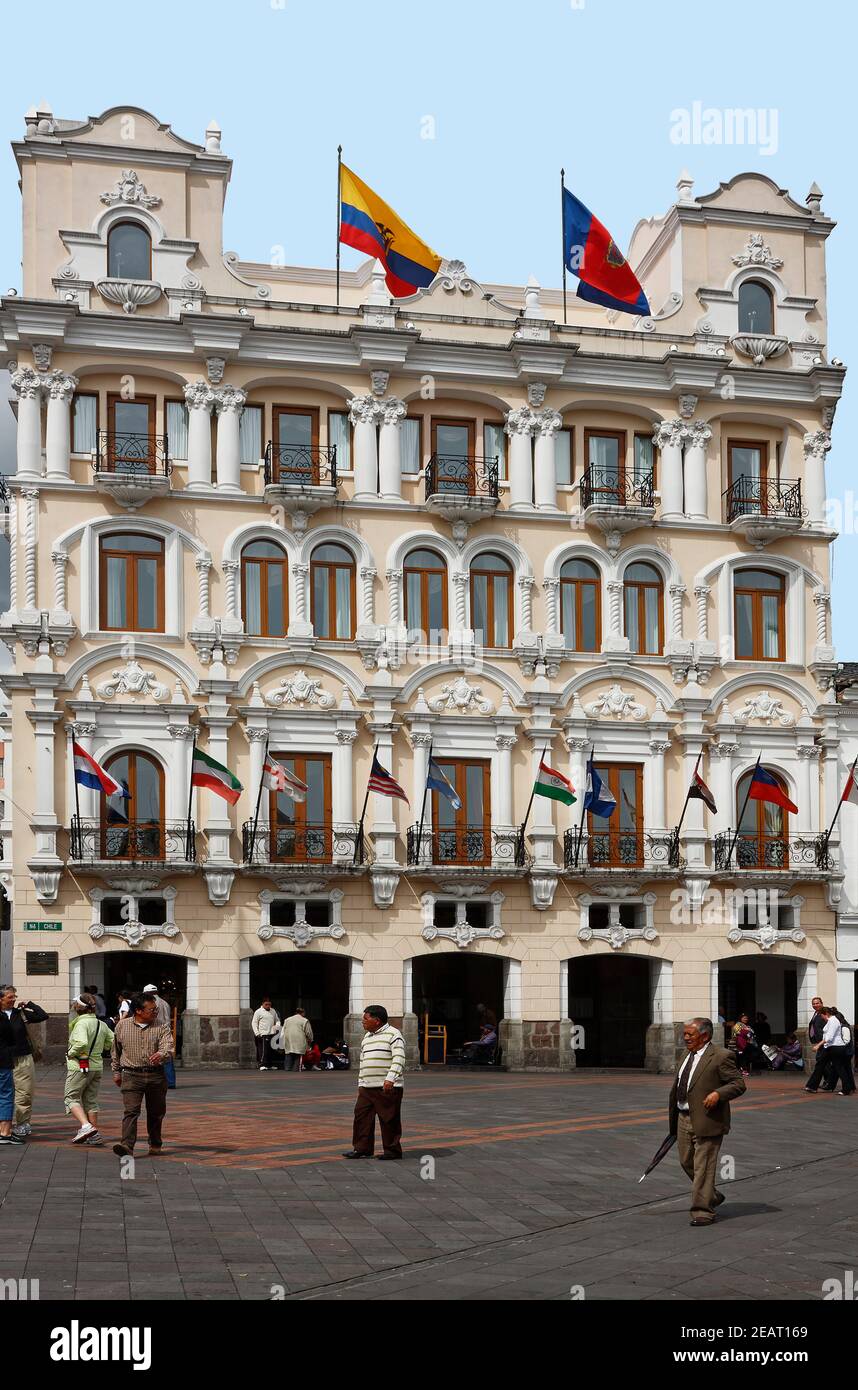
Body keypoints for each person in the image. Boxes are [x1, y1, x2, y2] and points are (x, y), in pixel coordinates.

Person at [669, 1016, 746, 1226]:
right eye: (684, 1034)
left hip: (708, 1120)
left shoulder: (721, 1056)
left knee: (703, 1166)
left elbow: (738, 1084)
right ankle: (710, 1194)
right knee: (687, 1162)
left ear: (704, 1036)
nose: (685, 1038)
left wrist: (718, 1094)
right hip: (683, 1117)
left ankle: (702, 1210)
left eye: (689, 1034)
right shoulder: (687, 1054)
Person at [110, 993, 174, 1157]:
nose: (155, 1012)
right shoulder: (122, 1026)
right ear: (138, 1010)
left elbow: (168, 1047)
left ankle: (155, 1143)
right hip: (131, 1075)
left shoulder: (161, 1026)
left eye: (156, 1009)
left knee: (156, 1112)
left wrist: (162, 1054)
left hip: (156, 1076)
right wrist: (116, 1072)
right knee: (131, 1111)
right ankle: (127, 1146)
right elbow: (115, 1052)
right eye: (152, 1009)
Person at [343, 1005, 406, 1161]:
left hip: (386, 1086)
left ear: (377, 1021)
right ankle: (362, 1148)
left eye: (365, 1018)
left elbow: (399, 1058)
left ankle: (392, 1150)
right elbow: (363, 1062)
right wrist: (361, 1083)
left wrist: (390, 1078)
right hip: (367, 1087)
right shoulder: (367, 1037)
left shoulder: (394, 1034)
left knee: (389, 1119)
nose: (362, 1021)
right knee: (361, 1118)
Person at [0, 984, 48, 1140]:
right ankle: (3, 1126)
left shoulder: (19, 1013)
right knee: (4, 1094)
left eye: (15, 996)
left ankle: (22, 1124)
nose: (13, 999)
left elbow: (42, 1015)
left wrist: (28, 1004)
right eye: (10, 997)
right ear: (1, 999)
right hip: (2, 1059)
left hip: (22, 1057)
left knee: (24, 1092)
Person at [65, 994, 113, 1145]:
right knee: (90, 1100)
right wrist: (101, 1047)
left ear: (78, 1008)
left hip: (80, 1066)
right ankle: (94, 1134)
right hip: (96, 1066)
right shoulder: (101, 1024)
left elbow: (81, 1043)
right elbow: (112, 1041)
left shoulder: (81, 1024)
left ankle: (86, 1127)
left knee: (70, 1098)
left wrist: (70, 1052)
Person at [805, 1007, 856, 1096]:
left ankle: (847, 1089)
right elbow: (827, 1036)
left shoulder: (833, 1021)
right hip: (829, 1047)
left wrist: (818, 1045)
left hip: (836, 1047)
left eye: (822, 1016)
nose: (822, 1018)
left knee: (839, 1067)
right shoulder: (831, 1021)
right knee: (820, 1065)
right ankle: (812, 1086)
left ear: (826, 1014)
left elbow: (829, 1037)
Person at [143, 984, 176, 1089]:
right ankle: (170, 1081)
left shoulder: (148, 1004)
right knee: (166, 1056)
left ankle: (153, 1080)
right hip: (166, 1031)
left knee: (152, 1056)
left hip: (153, 1031)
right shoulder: (165, 1003)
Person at [808, 996, 835, 1090]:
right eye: (813, 1003)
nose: (815, 1005)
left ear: (821, 1003)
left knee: (823, 1063)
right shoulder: (816, 1013)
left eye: (817, 1003)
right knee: (824, 1064)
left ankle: (828, 1083)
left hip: (823, 1042)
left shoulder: (824, 1013)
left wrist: (822, 1041)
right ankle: (828, 1082)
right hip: (818, 1041)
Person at [251, 997, 281, 1071]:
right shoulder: (258, 1011)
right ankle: (262, 1064)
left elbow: (277, 1020)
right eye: (266, 1004)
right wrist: (257, 1033)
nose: (268, 1006)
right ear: (262, 1004)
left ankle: (269, 1065)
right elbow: (254, 1023)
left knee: (271, 1050)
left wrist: (277, 1026)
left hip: (272, 1033)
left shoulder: (273, 1011)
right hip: (263, 1034)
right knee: (264, 1050)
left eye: (269, 1004)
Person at [281, 1007, 313, 1072]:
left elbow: (283, 1031)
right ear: (303, 1013)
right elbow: (308, 1032)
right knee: (298, 1054)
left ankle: (287, 1068)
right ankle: (296, 1069)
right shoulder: (304, 1020)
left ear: (296, 1012)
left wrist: (282, 1040)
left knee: (289, 1053)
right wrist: (310, 1039)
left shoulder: (287, 1019)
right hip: (299, 1039)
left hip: (288, 1038)